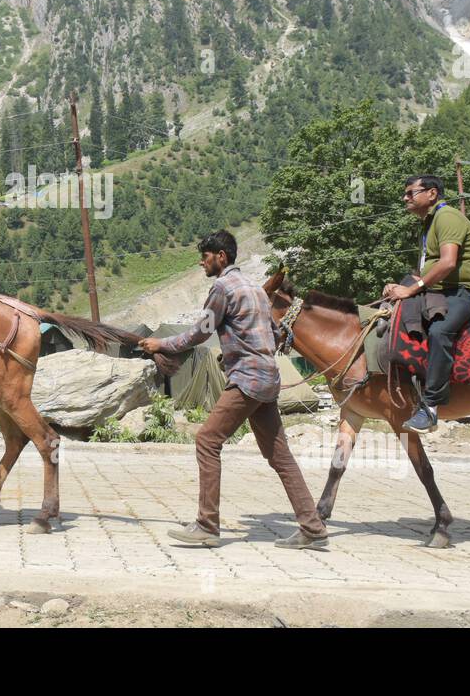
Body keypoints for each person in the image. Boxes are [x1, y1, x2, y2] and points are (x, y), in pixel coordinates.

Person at [140, 230, 329, 550]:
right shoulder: (256, 289)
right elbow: (275, 332)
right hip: (268, 378)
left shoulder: (223, 287)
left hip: (247, 380)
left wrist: (161, 344)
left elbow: (199, 334)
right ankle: (312, 526)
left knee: (207, 440)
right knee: (280, 455)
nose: (201, 261)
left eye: (206, 255)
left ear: (221, 257)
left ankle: (206, 525)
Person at [382, 175, 470, 434]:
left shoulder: (447, 217)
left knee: (439, 331)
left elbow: (447, 263)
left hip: (467, 292)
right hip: (443, 291)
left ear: (432, 193)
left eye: (411, 192)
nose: (405, 198)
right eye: (405, 193)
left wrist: (412, 289)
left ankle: (430, 407)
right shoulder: (428, 223)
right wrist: (401, 288)